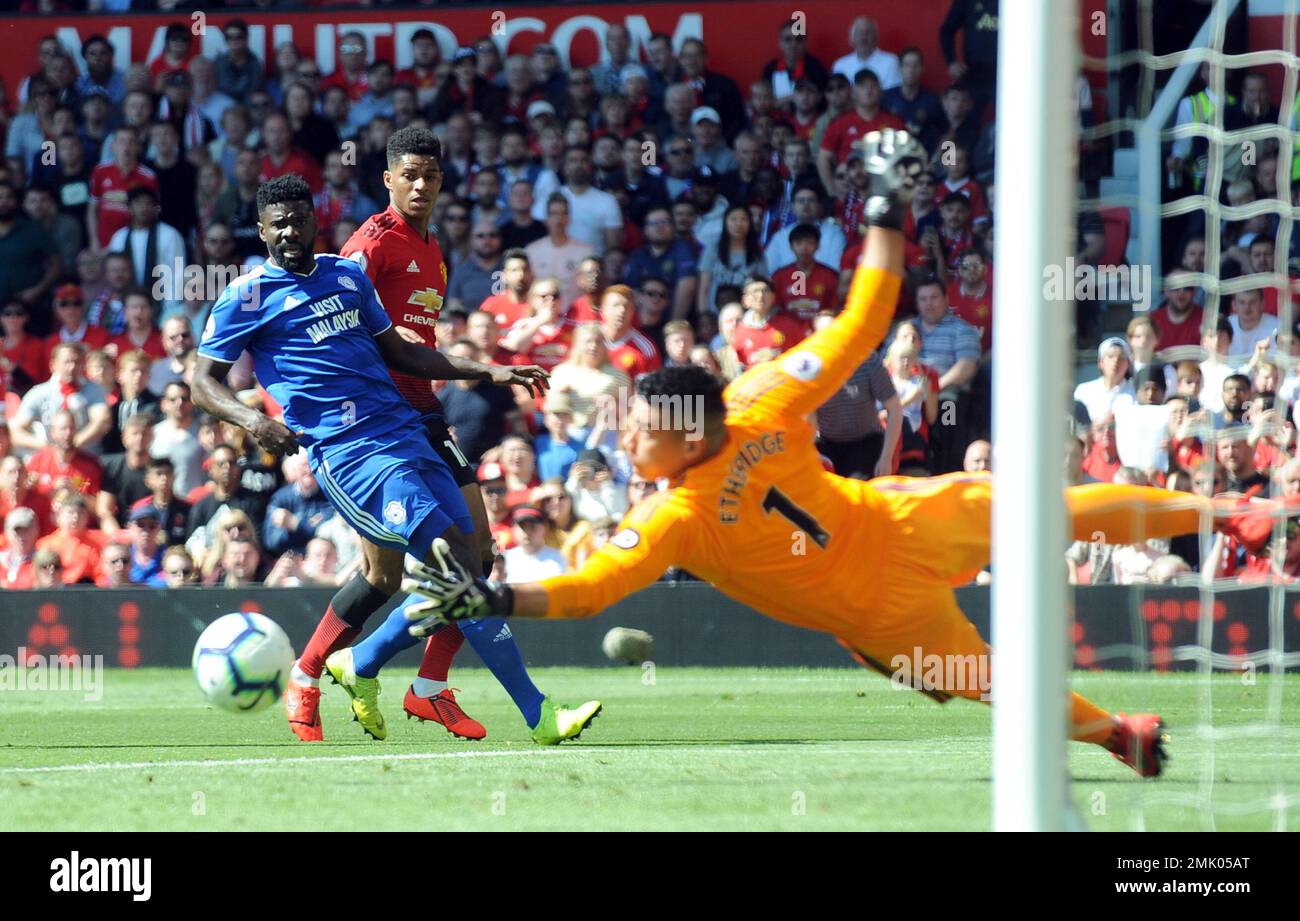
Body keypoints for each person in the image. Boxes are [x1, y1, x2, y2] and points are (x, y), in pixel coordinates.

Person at [402, 130, 1212, 779]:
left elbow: (861, 324)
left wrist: (887, 212)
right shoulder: (673, 516)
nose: (624, 440)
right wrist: (499, 599)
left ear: (688, 428)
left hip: (899, 515)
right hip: (879, 617)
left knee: (1056, 510)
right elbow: (587, 589)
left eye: (637, 429)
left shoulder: (753, 404)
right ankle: (1118, 734)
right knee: (1002, 686)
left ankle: (1221, 510)